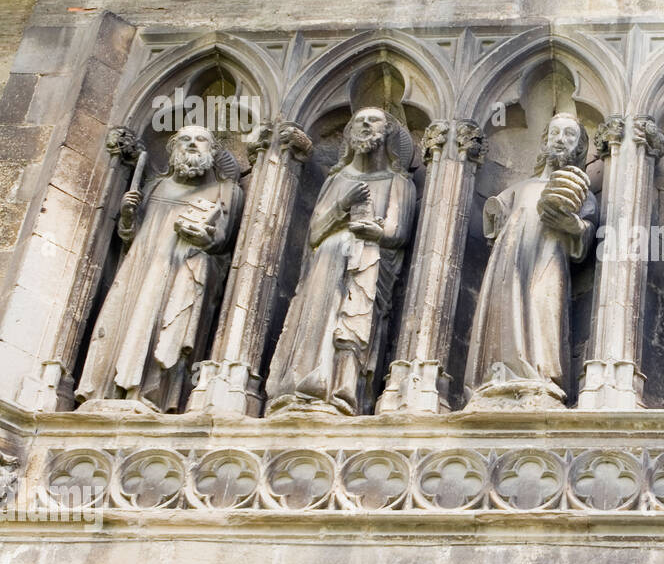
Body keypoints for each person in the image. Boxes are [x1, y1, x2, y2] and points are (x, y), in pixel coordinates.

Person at [77, 125, 243, 412]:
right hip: (140, 270)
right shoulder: (154, 186)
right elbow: (130, 238)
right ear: (173, 149)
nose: (192, 144)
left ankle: (153, 396)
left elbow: (222, 241)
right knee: (125, 322)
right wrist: (128, 215)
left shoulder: (226, 190)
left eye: (201, 140)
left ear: (213, 152)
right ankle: (110, 389)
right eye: (185, 139)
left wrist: (202, 237)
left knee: (165, 328)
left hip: (183, 269)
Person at [266, 107, 416, 415]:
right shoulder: (337, 179)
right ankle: (304, 389)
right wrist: (343, 205)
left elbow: (398, 231)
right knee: (319, 320)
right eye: (358, 120)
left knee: (353, 323)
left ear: (387, 133)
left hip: (368, 262)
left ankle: (344, 393)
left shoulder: (399, 182)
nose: (364, 124)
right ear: (348, 133)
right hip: (326, 263)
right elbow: (315, 232)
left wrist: (375, 230)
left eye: (373, 119)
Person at [463, 112, 596, 408]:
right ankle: (501, 378)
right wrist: (495, 212)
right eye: (556, 133)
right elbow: (493, 217)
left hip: (549, 259)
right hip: (510, 262)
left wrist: (570, 223)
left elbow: (584, 238)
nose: (561, 140)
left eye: (570, 136)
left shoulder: (582, 194)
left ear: (578, 148)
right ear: (545, 139)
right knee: (506, 309)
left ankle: (541, 379)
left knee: (543, 306)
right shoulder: (520, 188)